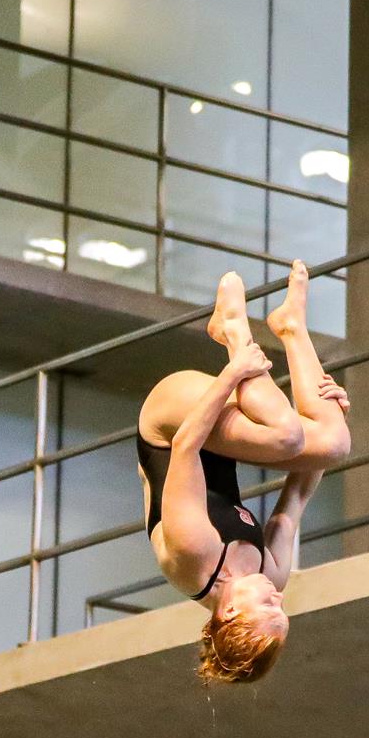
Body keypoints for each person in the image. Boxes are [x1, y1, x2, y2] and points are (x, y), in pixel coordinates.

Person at [136, 261, 351, 683]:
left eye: (269, 608)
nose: (279, 598)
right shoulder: (270, 574)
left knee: (287, 436)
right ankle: (290, 326)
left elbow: (185, 446)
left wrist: (234, 372)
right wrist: (335, 415)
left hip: (171, 421)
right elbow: (295, 500)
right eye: (282, 609)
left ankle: (233, 332)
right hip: (217, 434)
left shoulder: (192, 555)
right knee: (334, 444)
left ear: (231, 612)